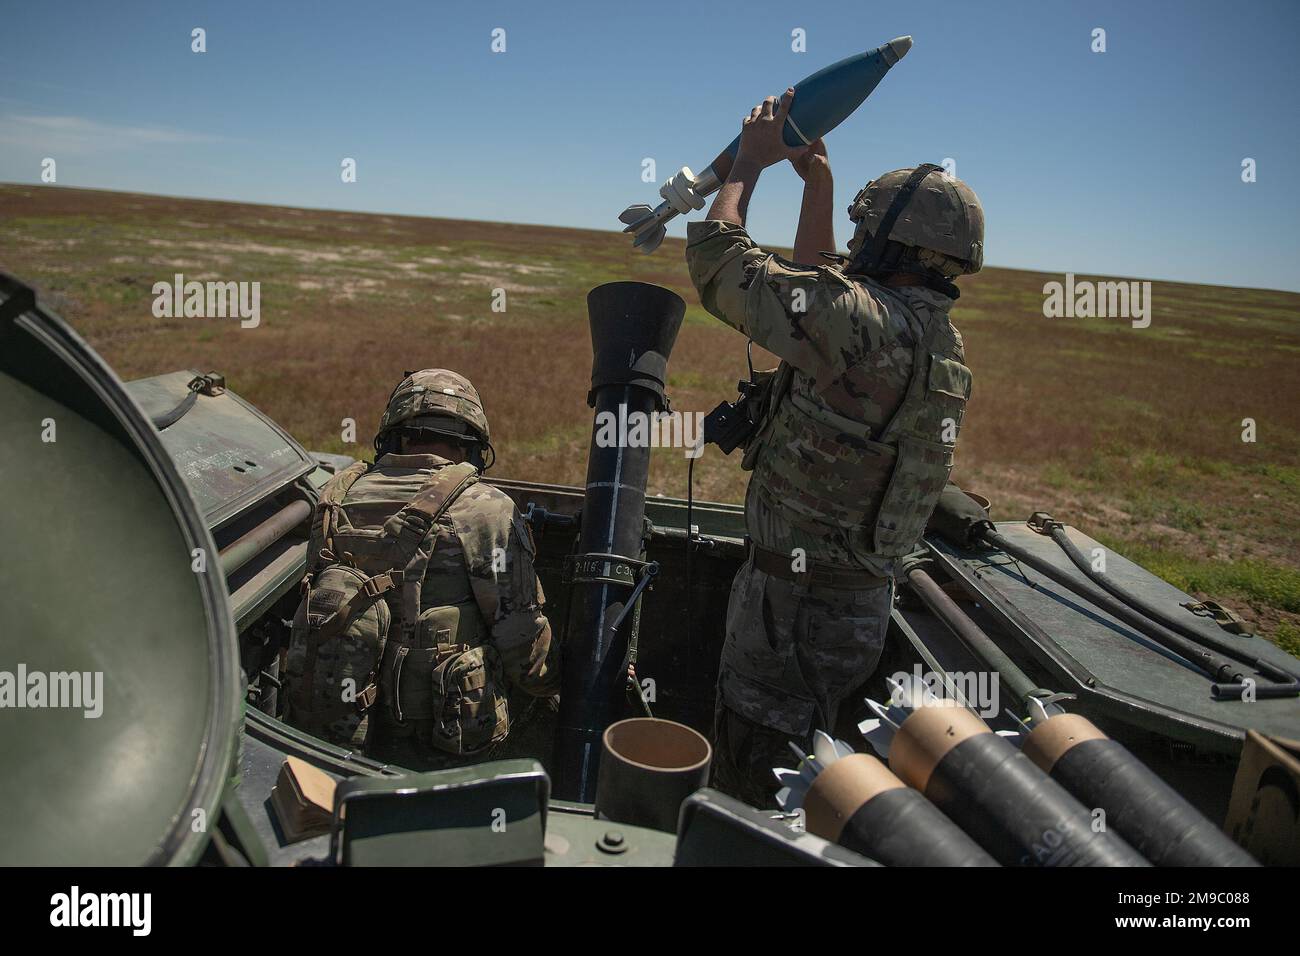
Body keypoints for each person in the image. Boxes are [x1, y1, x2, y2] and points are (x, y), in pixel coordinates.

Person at [684, 89, 984, 806]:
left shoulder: (863, 323)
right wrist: (817, 184)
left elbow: (720, 265)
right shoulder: (935, 337)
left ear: (887, 241)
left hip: (788, 613)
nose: (854, 246)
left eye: (863, 234)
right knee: (817, 774)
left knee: (758, 782)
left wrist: (747, 168)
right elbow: (825, 296)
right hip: (855, 609)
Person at [284, 369, 559, 769]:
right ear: (474, 445)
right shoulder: (485, 508)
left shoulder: (336, 496)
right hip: (438, 744)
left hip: (339, 730)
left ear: (395, 435)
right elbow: (525, 655)